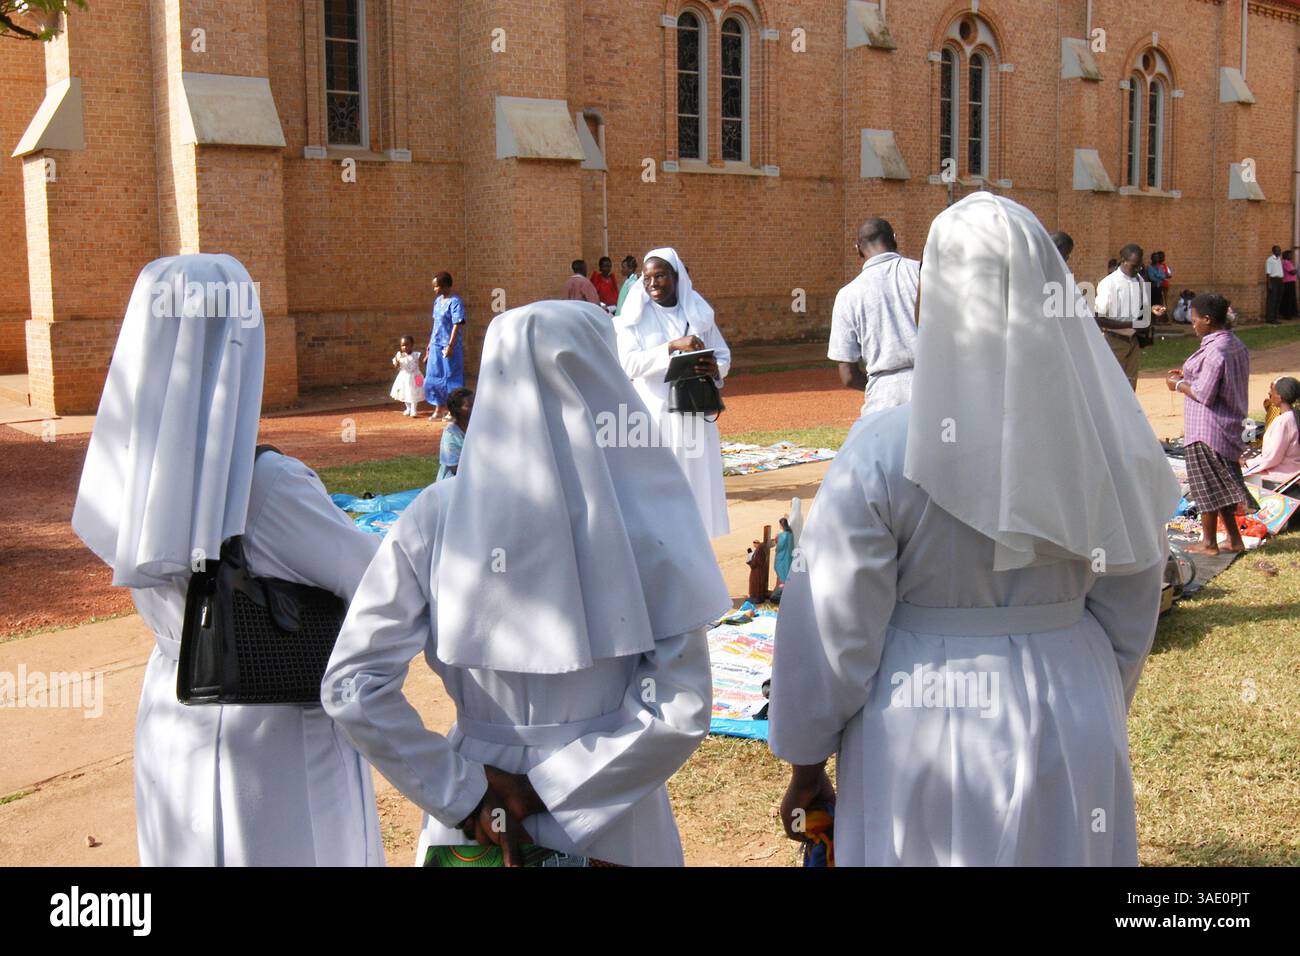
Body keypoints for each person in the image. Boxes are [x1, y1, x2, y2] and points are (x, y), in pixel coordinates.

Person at [768, 193, 1180, 867]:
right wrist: (1086, 688)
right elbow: (1132, 602)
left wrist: (807, 760)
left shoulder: (883, 449)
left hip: (924, 718)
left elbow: (833, 626)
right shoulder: (1110, 444)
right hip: (1071, 702)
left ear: (931, 301)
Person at [321, 300, 731, 867]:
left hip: (477, 820)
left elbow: (351, 683)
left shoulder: (435, 516)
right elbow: (680, 703)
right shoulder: (651, 515)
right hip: (613, 810)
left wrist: (465, 793)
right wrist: (547, 792)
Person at [71, 254, 384, 867]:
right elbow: (379, 581)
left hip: (175, 708)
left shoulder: (128, 472)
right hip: (271, 738)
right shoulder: (269, 488)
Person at [615, 247, 732, 538]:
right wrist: (672, 347)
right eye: (647, 278)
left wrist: (714, 368)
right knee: (661, 483)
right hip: (655, 414)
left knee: (696, 484)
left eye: (661, 276)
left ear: (676, 278)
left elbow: (723, 355)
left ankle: (697, 543)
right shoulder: (634, 318)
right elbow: (629, 364)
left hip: (693, 412)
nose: (653, 284)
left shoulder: (698, 315)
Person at [1166, 293, 1252, 556]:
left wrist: (1178, 384)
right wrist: (1190, 374)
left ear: (1207, 319)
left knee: (1206, 490)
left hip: (1208, 428)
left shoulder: (1215, 351)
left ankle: (1209, 543)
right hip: (1227, 424)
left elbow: (1204, 394)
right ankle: (1234, 540)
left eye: (1195, 321)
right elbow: (1219, 379)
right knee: (1221, 488)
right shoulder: (1234, 344)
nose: (1193, 325)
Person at [827, 217, 921, 415]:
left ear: (857, 249)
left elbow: (848, 376)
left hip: (882, 400)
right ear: (894, 238)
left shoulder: (847, 295)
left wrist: (883, 388)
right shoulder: (922, 272)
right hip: (932, 390)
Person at [1094, 244, 1148, 390]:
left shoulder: (1139, 280)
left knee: (1130, 388)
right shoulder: (1109, 283)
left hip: (1133, 342)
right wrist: (1131, 324)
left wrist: (1151, 311)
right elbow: (1099, 319)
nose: (1137, 269)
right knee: (1112, 387)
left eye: (1140, 265)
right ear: (1123, 261)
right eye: (1134, 265)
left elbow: (1142, 308)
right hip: (1114, 342)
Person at [1244, 377, 1300, 488]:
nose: (1269, 393)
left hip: (1281, 476)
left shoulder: (1283, 422)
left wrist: (1247, 463)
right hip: (1294, 472)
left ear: (1280, 397)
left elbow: (1271, 458)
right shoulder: (1293, 417)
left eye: (1272, 392)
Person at [424, 271, 465, 421]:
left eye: (436, 286)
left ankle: (453, 411)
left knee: (452, 378)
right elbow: (436, 324)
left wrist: (450, 345)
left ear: (445, 285)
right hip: (436, 345)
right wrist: (429, 346)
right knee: (433, 377)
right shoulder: (437, 302)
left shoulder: (455, 302)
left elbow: (457, 324)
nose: (434, 289)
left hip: (449, 346)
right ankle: (438, 408)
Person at [438, 386, 473, 481]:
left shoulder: (479, 426)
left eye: (476, 404)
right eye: (470, 406)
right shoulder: (451, 434)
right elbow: (455, 469)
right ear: (458, 410)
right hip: (454, 484)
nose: (475, 408)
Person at [391, 335, 423, 417]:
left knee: (414, 393)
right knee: (404, 392)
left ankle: (413, 409)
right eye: (402, 345)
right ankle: (408, 408)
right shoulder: (399, 355)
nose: (404, 347)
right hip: (403, 377)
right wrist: (397, 361)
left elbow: (421, 363)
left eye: (407, 345)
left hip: (415, 376)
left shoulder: (416, 355)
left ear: (412, 345)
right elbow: (397, 366)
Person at [773, 516, 794, 588]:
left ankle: (784, 582)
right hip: (788, 554)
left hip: (782, 555)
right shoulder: (790, 533)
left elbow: (780, 545)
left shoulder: (783, 534)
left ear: (782, 525)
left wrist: (777, 542)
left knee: (778, 567)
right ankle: (784, 581)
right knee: (786, 567)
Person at [1266, 245, 1284, 324]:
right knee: (1272, 300)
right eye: (1277, 250)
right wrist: (1270, 284)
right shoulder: (1270, 260)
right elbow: (1268, 273)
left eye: (1280, 250)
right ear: (1273, 251)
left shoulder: (1279, 259)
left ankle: (1275, 317)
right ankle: (1270, 318)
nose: (1279, 252)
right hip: (1273, 281)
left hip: (1280, 280)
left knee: (1278, 299)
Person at [1282, 251, 1298, 320]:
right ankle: (1287, 315)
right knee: (1288, 298)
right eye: (1289, 255)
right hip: (1288, 282)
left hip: (1291, 282)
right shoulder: (1285, 262)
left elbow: (1294, 271)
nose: (1291, 256)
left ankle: (1291, 313)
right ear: (1286, 255)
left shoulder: (1289, 262)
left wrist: (1295, 270)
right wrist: (1295, 270)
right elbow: (1292, 272)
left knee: (1292, 298)